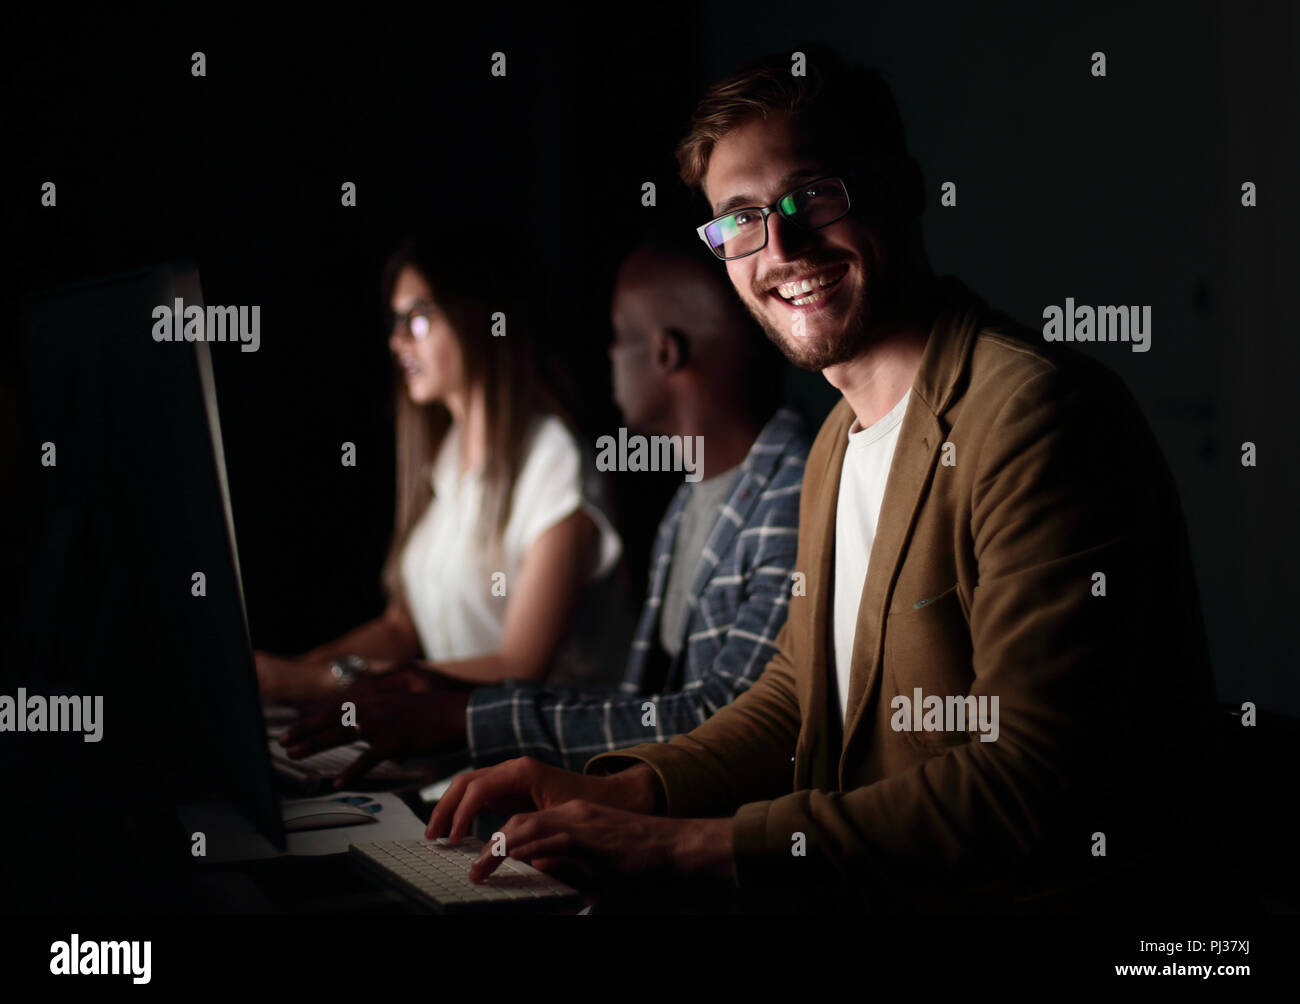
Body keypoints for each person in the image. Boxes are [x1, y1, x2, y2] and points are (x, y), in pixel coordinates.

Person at [423, 47, 1225, 913]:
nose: (783, 246)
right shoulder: (837, 439)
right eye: (740, 220)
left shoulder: (1034, 415)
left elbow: (1028, 779)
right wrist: (627, 790)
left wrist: (686, 846)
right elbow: (798, 696)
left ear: (904, 189)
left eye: (815, 196)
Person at [278, 226, 812, 779]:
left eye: (616, 334)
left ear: (664, 351)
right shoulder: (690, 500)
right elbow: (656, 706)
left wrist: (435, 707)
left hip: (538, 773)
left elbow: (717, 722)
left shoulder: (789, 491)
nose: (606, 355)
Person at [255, 225, 622, 703]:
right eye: (395, 322)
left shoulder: (555, 463)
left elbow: (519, 667)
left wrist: (324, 684)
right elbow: (402, 626)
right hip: (451, 756)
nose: (398, 342)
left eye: (419, 317)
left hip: (545, 766)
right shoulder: (445, 458)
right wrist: (294, 672)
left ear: (478, 316)